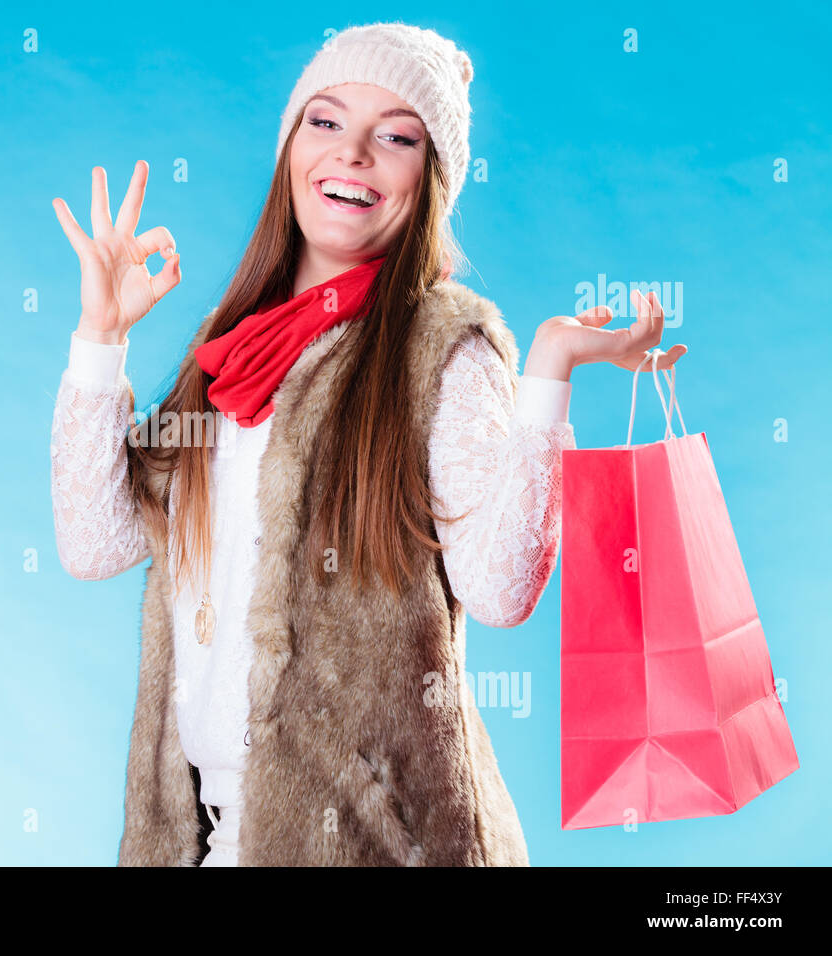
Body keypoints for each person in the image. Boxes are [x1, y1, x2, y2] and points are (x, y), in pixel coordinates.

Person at [49, 20, 686, 866]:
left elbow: (498, 593)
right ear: (288, 150)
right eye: (325, 121)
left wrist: (548, 377)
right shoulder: (230, 347)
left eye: (394, 137)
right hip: (205, 839)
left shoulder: (439, 346)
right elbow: (97, 544)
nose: (351, 153)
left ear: (430, 180)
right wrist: (100, 338)